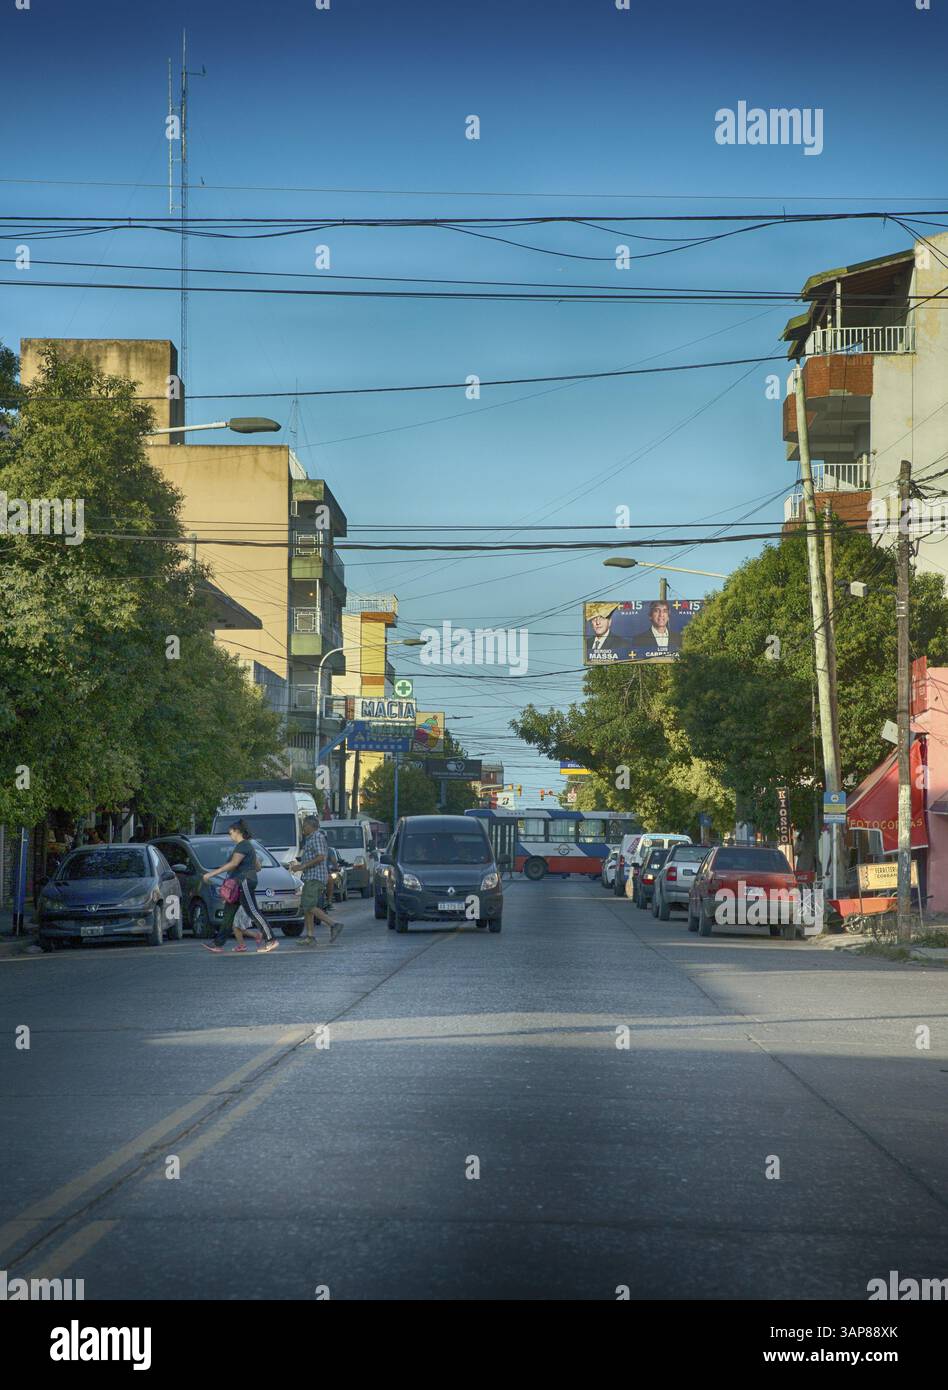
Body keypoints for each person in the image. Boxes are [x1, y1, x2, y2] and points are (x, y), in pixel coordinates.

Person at [202, 820, 278, 954]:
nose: (230, 836)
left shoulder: (242, 845)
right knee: (228, 915)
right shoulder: (249, 846)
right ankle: (218, 944)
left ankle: (271, 940)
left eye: (231, 833)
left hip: (244, 882)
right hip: (238, 884)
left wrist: (211, 874)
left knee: (253, 911)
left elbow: (233, 864)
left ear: (238, 832)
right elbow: (258, 867)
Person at [290, 814, 343, 945]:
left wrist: (303, 866)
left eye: (304, 826)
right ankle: (310, 936)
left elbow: (320, 857)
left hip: (316, 876)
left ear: (311, 826)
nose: (303, 828)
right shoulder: (311, 838)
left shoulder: (317, 837)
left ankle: (333, 924)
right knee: (307, 907)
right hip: (310, 876)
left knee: (309, 905)